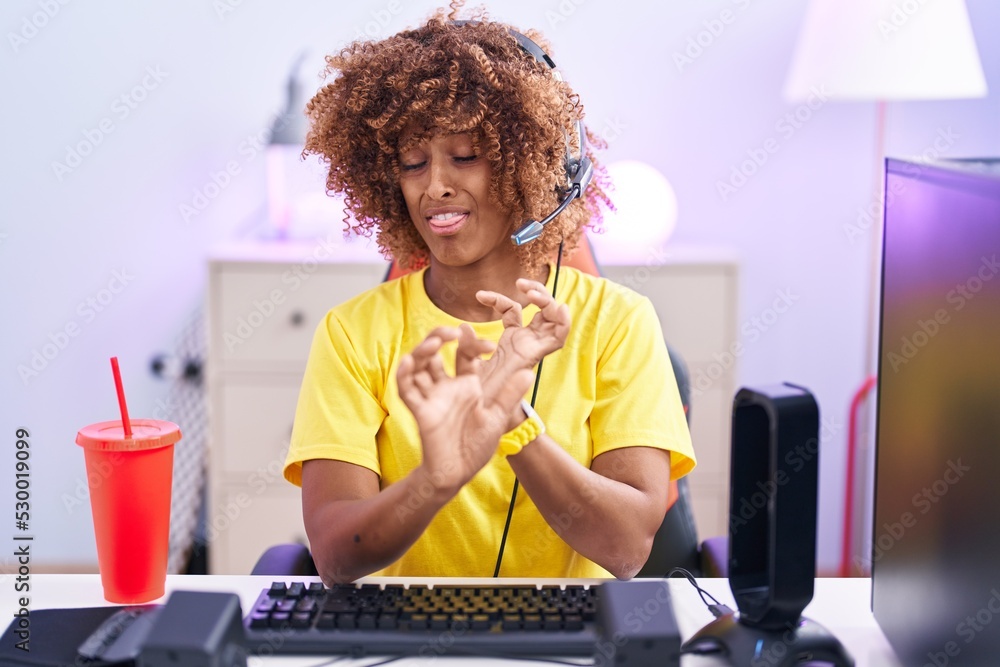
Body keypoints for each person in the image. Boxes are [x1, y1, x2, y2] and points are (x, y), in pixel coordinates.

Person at [283, 3, 696, 584]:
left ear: (533, 163)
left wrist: (510, 421)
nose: (435, 187)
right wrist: (434, 478)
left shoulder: (618, 321)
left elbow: (627, 549)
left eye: (466, 157)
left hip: (569, 640)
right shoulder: (352, 334)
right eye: (412, 162)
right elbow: (334, 555)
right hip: (404, 639)